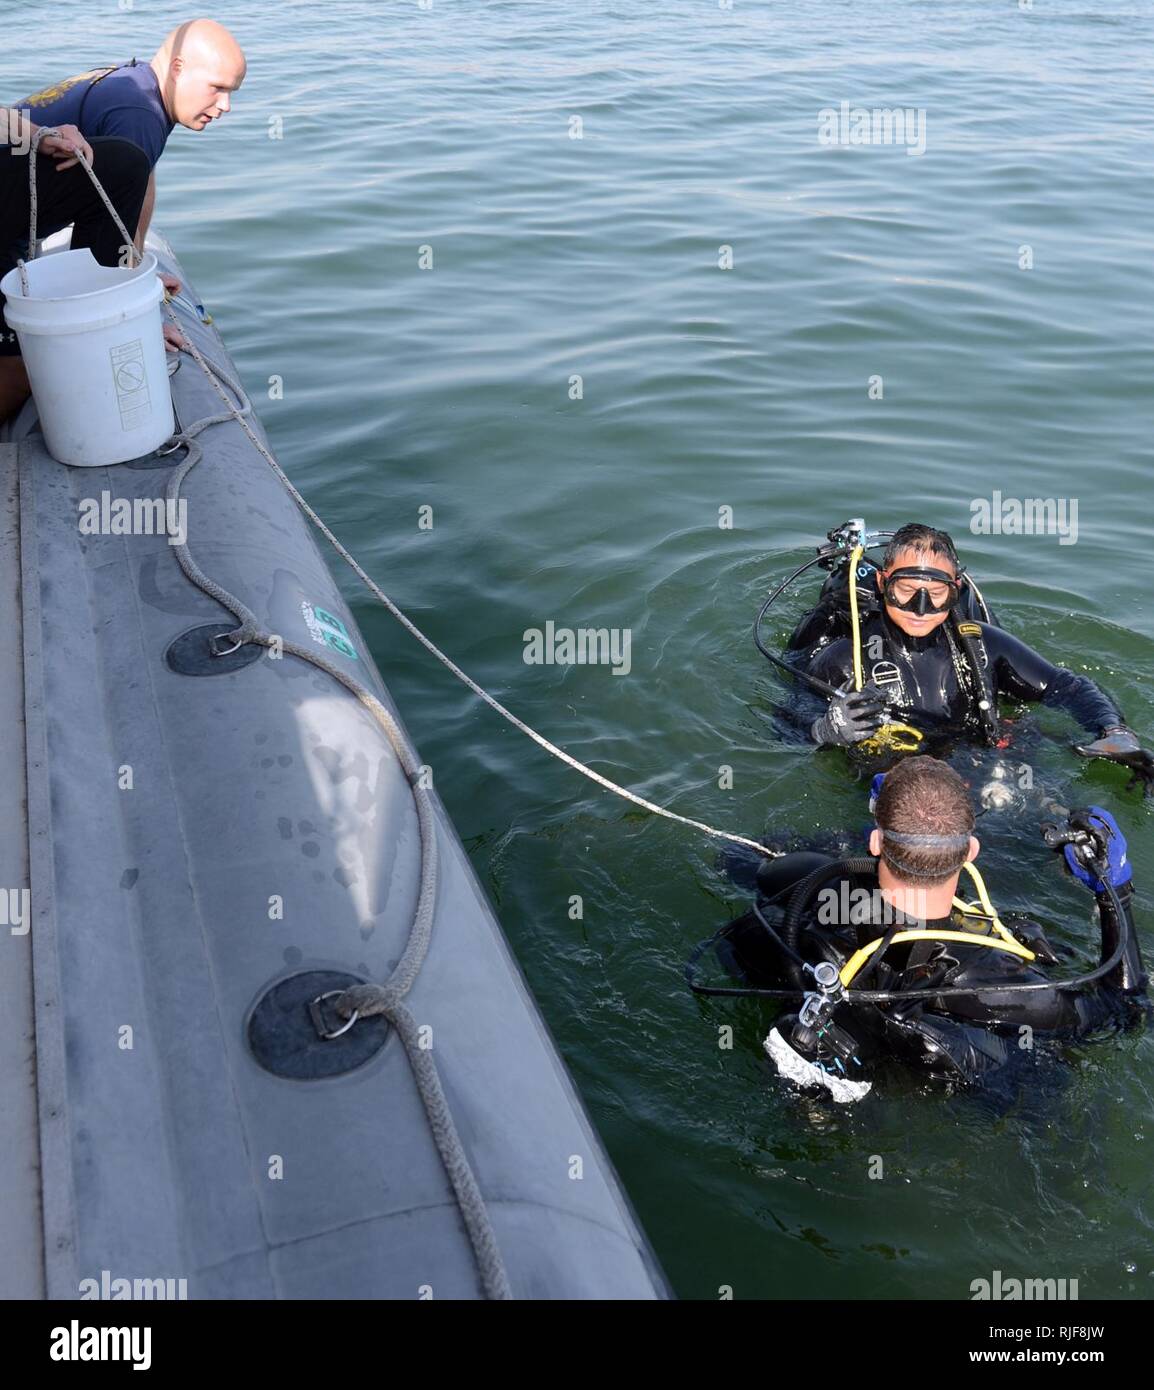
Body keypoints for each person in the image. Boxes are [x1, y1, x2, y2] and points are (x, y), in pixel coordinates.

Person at [708, 756, 1146, 1095]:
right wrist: (1116, 892)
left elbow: (752, 869)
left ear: (876, 840)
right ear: (971, 850)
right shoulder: (1003, 982)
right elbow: (1121, 1012)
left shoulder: (817, 885)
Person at [0, 20, 246, 424]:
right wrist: (129, 318)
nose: (226, 106)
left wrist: (134, 276)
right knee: (22, 366)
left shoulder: (134, 85)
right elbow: (125, 179)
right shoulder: (138, 110)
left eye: (232, 93)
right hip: (7, 210)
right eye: (217, 88)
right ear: (179, 67)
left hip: (12, 200)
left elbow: (138, 184)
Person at [792, 522, 1154, 791]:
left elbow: (1065, 686)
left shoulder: (984, 645)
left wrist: (1114, 730)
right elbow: (786, 726)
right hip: (894, 787)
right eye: (906, 591)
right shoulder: (844, 659)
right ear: (884, 584)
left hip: (979, 766)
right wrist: (825, 729)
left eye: (935, 594)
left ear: (956, 591)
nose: (920, 608)